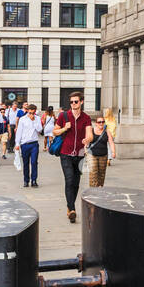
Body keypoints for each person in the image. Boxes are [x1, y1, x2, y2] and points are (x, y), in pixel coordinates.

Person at [53, 93, 93, 222]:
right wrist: (65, 128)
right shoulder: (64, 116)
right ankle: (71, 209)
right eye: (71, 102)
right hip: (66, 154)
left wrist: (87, 139)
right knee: (69, 180)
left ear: (81, 102)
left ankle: (70, 207)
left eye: (76, 102)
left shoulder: (86, 117)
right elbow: (55, 131)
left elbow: (90, 134)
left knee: (76, 183)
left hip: (80, 155)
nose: (73, 104)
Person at [84, 113, 115, 188]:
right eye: (99, 122)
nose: (101, 123)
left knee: (101, 174)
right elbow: (86, 140)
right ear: (96, 123)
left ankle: (100, 189)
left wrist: (113, 152)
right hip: (92, 155)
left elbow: (111, 142)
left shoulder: (107, 132)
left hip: (103, 155)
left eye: (102, 122)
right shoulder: (91, 130)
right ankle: (92, 190)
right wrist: (85, 149)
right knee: (93, 173)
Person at [15, 102, 43, 187]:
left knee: (34, 162)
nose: (31, 114)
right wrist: (17, 143)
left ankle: (34, 180)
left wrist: (34, 121)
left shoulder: (37, 118)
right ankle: (26, 180)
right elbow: (19, 132)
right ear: (27, 111)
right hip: (25, 144)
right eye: (30, 113)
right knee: (26, 163)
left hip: (34, 143)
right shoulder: (22, 119)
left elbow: (40, 130)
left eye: (33, 113)